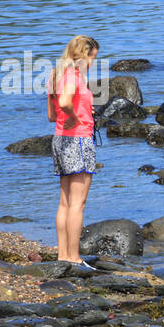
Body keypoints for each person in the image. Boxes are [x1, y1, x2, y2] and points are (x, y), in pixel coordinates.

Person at [49, 34, 100, 270]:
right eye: (93, 58)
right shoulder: (74, 76)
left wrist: (65, 117)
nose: (93, 63)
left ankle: (62, 255)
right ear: (83, 55)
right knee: (77, 204)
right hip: (78, 141)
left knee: (65, 202)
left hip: (59, 140)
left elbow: (51, 115)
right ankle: (74, 257)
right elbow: (64, 103)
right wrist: (75, 117)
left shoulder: (55, 74)